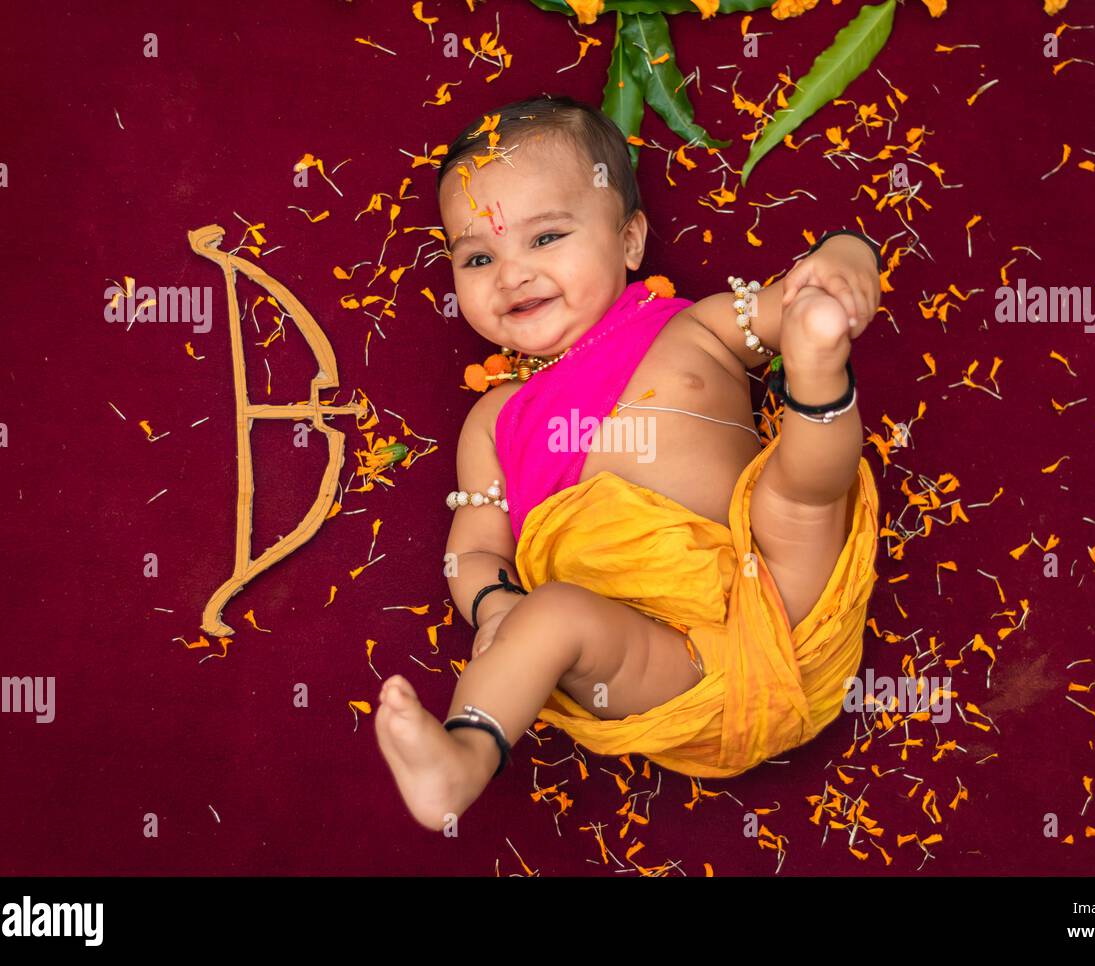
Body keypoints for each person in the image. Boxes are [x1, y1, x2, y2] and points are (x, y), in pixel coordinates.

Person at [375, 94, 882, 831]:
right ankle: (464, 755)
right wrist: (498, 607)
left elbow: (785, 299)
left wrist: (843, 258)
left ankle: (819, 364)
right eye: (478, 257)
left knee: (795, 494)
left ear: (630, 240)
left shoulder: (698, 325)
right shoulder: (494, 419)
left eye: (547, 237)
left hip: (776, 591)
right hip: (662, 664)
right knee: (551, 616)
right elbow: (475, 550)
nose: (511, 274)